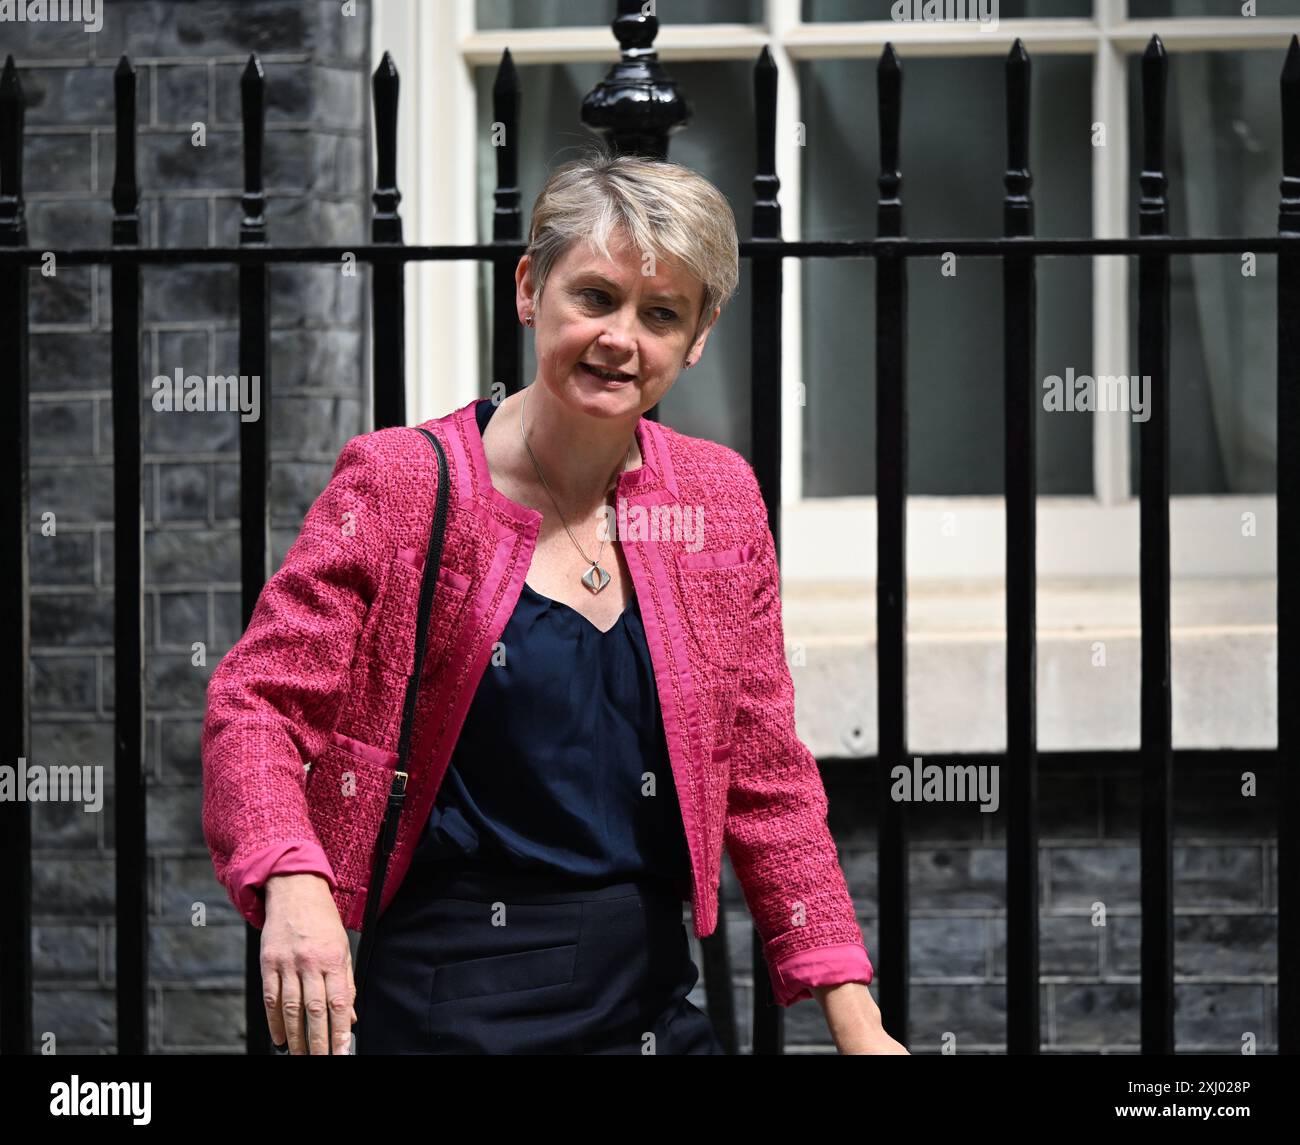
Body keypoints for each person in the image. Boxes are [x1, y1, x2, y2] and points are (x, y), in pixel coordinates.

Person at [201, 146, 908, 1055]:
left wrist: (859, 1021)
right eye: (596, 297)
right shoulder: (405, 485)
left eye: (661, 314)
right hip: (445, 1005)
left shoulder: (715, 500)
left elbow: (766, 775)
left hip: (649, 1001)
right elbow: (255, 704)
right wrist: (294, 884)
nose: (622, 338)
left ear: (697, 337)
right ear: (532, 287)